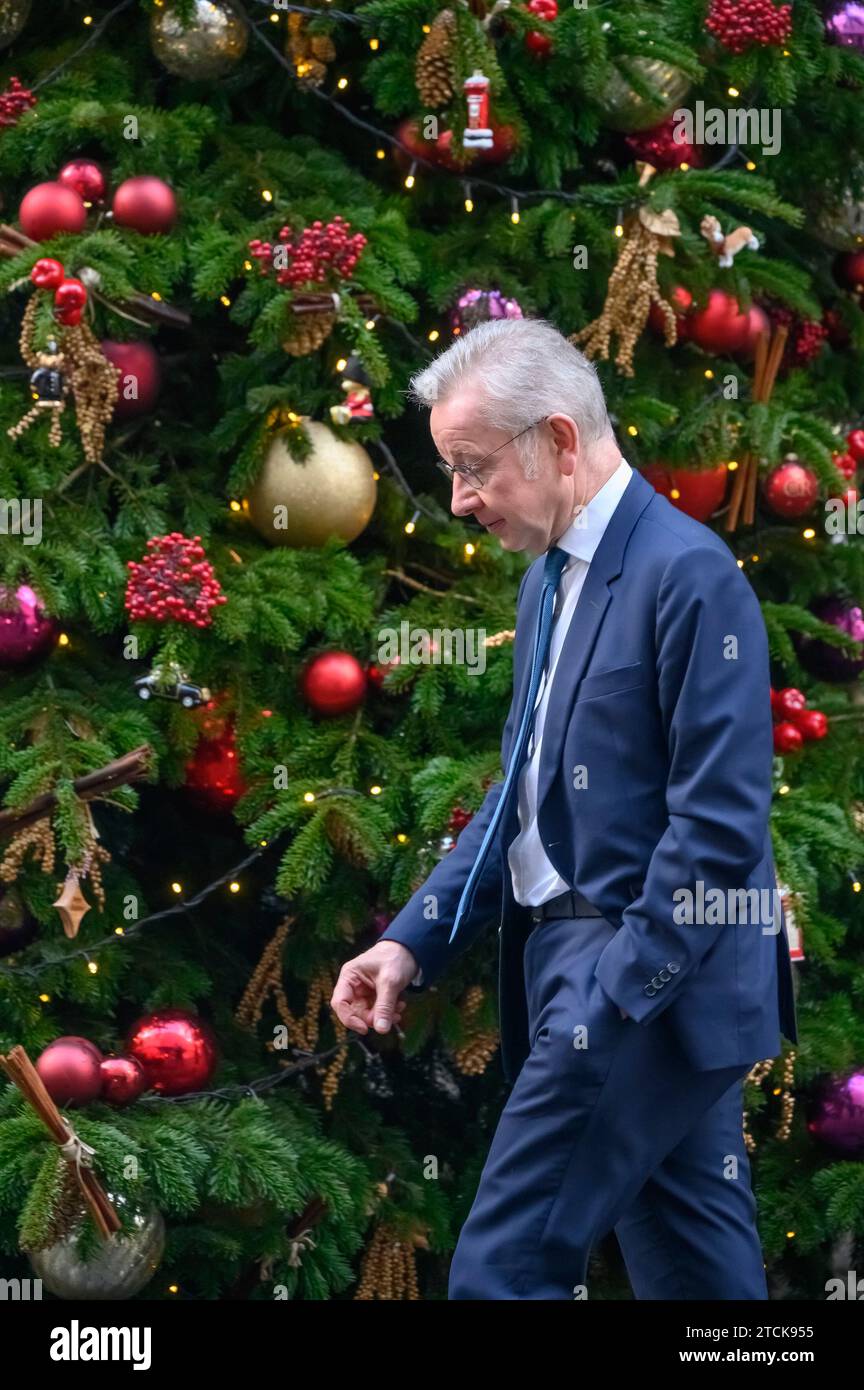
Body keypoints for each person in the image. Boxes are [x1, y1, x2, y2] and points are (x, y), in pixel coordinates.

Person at [330, 317, 798, 1300]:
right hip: (584, 972)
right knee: (703, 1286)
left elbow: (718, 828)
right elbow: (523, 796)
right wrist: (412, 940)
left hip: (639, 978)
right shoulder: (548, 578)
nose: (460, 499)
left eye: (473, 467)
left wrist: (618, 992)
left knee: (502, 1271)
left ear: (558, 440)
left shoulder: (689, 572)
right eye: (451, 470)